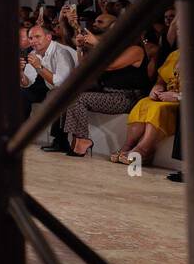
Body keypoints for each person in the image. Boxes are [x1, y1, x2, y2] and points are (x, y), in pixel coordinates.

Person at [60, 11, 149, 157]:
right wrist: (81, 48)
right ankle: (76, 139)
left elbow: (111, 65)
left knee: (79, 99)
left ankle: (83, 139)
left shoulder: (136, 50)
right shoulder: (112, 50)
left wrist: (96, 44)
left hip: (128, 97)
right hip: (109, 93)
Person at [113, 41, 181, 166]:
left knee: (158, 109)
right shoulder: (175, 54)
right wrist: (157, 88)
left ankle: (144, 150)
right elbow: (161, 79)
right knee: (144, 103)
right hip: (167, 95)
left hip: (184, 102)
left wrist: (178, 96)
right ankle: (129, 145)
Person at [20, 23, 77, 154]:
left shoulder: (61, 52)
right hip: (53, 87)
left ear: (48, 37)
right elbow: (26, 82)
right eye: (30, 38)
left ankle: (61, 140)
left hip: (81, 85)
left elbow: (61, 82)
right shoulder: (34, 53)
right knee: (20, 92)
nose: (33, 41)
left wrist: (39, 67)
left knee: (57, 93)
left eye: (37, 37)